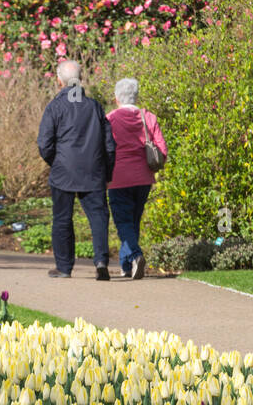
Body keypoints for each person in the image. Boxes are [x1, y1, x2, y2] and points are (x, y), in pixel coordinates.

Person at [37, 59, 116, 280]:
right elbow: (109, 144)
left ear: (59, 81)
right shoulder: (94, 107)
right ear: (80, 80)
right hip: (93, 170)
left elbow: (44, 143)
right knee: (98, 217)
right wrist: (107, 172)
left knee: (62, 218)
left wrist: (56, 161)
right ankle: (101, 262)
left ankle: (64, 266)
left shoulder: (55, 107)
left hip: (63, 171)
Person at [106, 77, 168, 280]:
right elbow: (162, 149)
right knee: (133, 221)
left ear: (116, 98)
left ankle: (135, 255)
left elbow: (104, 148)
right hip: (143, 177)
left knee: (123, 222)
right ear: (136, 96)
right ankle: (126, 266)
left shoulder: (110, 119)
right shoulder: (148, 117)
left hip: (118, 177)